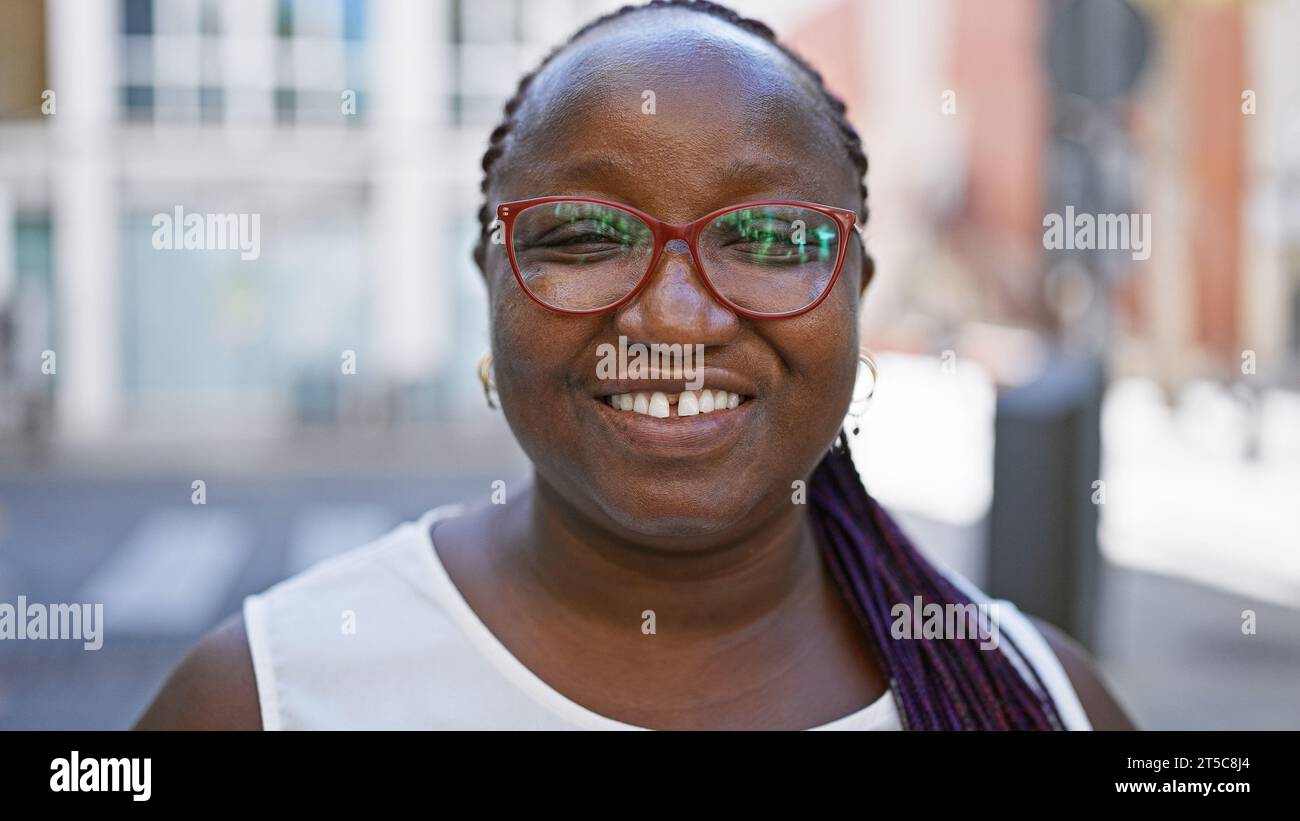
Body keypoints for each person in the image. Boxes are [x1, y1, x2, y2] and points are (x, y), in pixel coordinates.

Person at [136, 0, 1133, 731]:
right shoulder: (262, 696)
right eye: (580, 234)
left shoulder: (1040, 700)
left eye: (770, 237)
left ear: (856, 290)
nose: (674, 311)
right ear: (489, 279)